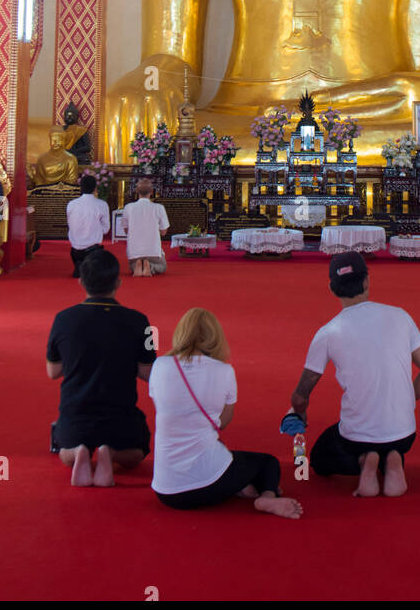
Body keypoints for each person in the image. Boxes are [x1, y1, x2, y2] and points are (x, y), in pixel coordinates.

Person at [288, 251, 420, 497]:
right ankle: (392, 457)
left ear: (332, 288)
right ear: (367, 281)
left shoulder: (327, 333)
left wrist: (299, 415)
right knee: (390, 440)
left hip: (356, 437)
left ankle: (364, 460)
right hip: (405, 434)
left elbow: (300, 396)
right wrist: (404, 401)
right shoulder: (401, 316)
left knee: (319, 459)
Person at [150, 307, 301, 519]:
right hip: (211, 483)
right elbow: (223, 422)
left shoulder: (160, 366)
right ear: (215, 337)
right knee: (267, 463)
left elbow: (165, 407)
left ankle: (240, 485)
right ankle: (267, 495)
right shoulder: (224, 371)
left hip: (166, 491)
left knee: (226, 456)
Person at [45, 248, 154, 488]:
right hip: (120, 415)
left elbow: (53, 371)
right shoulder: (140, 321)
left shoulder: (63, 319)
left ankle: (80, 451)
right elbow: (148, 373)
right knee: (137, 454)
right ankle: (110, 454)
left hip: (77, 414)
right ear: (119, 282)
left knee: (64, 453)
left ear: (82, 282)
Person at [121, 179, 169, 276]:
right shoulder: (158, 207)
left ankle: (137, 266)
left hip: (135, 251)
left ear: (137, 191)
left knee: (132, 265)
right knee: (162, 267)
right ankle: (151, 267)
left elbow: (126, 230)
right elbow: (164, 232)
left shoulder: (128, 207)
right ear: (152, 192)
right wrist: (153, 230)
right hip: (153, 251)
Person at [66, 173, 110, 278]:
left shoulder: (72, 204)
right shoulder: (101, 204)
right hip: (93, 250)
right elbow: (106, 229)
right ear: (95, 188)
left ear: (80, 187)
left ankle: (81, 264)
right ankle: (89, 266)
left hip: (75, 250)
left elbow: (70, 224)